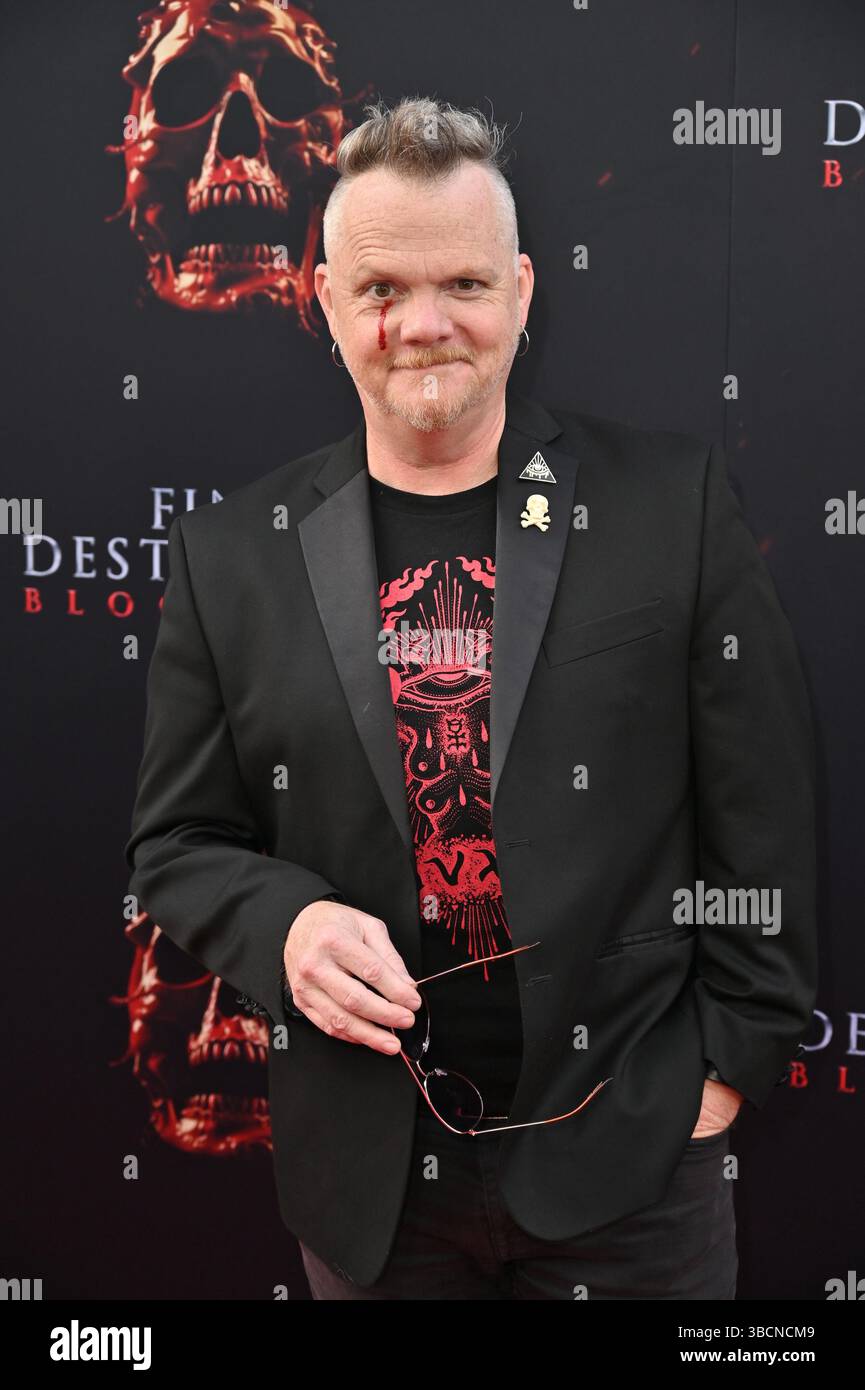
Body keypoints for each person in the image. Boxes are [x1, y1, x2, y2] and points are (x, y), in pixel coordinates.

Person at [125, 96, 817, 1299]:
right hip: (371, 1189)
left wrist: (720, 1076)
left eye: (465, 284)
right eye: (383, 288)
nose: (423, 325)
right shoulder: (231, 555)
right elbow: (178, 845)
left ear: (524, 293)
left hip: (632, 1159)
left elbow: (765, 806)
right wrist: (283, 926)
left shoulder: (671, 507)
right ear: (325, 299)